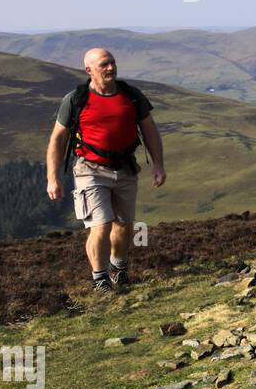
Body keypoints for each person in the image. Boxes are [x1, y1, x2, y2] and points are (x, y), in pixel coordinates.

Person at [46, 48, 166, 292]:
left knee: (124, 225)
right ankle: (100, 280)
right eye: (104, 65)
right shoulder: (75, 99)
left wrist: (158, 165)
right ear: (89, 70)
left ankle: (119, 270)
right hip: (89, 170)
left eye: (112, 63)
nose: (110, 68)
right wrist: (53, 177)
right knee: (100, 224)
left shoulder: (131, 96)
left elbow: (149, 130)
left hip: (125, 168)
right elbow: (57, 138)